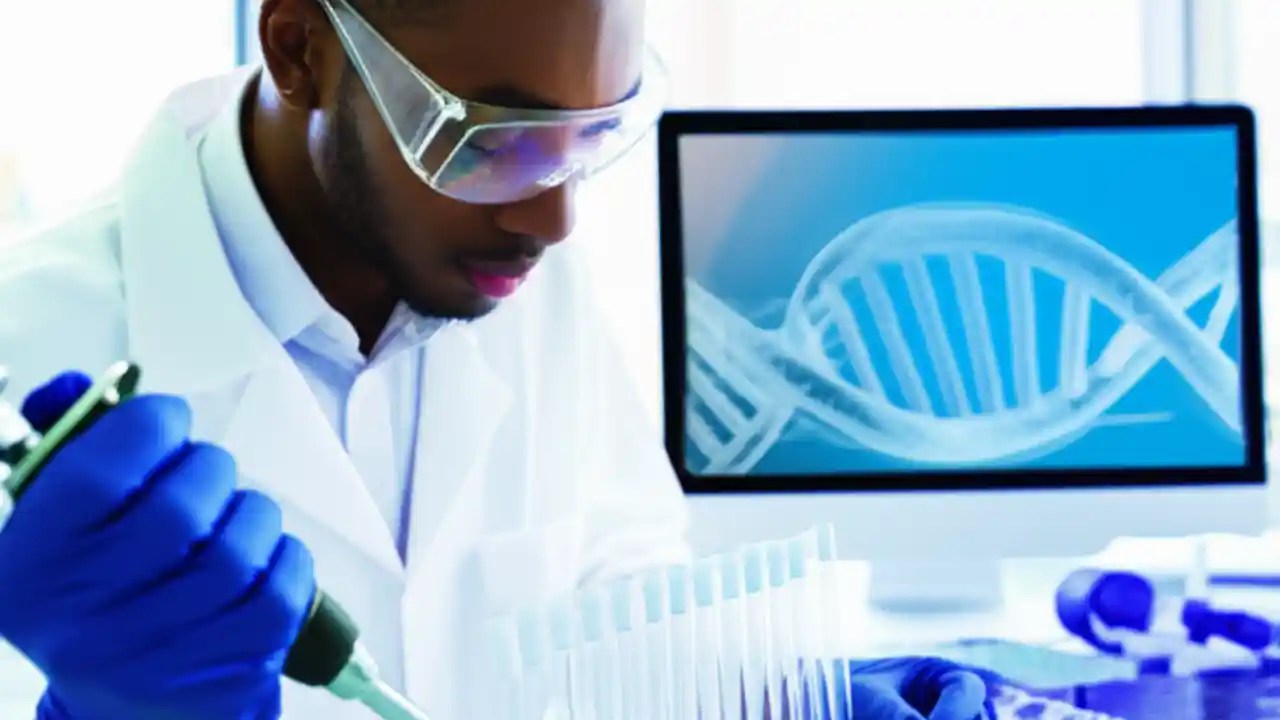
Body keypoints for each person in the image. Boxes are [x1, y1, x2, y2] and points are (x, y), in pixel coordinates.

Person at [0, 0, 1000, 717]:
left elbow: (616, 591)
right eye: (491, 139)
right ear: (300, 49)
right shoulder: (30, 340)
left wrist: (778, 693)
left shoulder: (510, 274)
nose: (554, 217)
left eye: (591, 134)